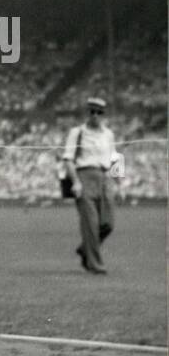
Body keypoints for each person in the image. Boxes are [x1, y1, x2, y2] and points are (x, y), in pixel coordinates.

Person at [63, 96, 118, 274]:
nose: (95, 115)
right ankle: (95, 264)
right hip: (84, 176)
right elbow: (68, 159)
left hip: (104, 178)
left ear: (103, 114)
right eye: (91, 111)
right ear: (87, 112)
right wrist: (76, 182)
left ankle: (85, 249)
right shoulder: (77, 132)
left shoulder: (108, 134)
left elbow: (115, 158)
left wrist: (117, 182)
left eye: (99, 112)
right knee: (91, 224)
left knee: (108, 223)